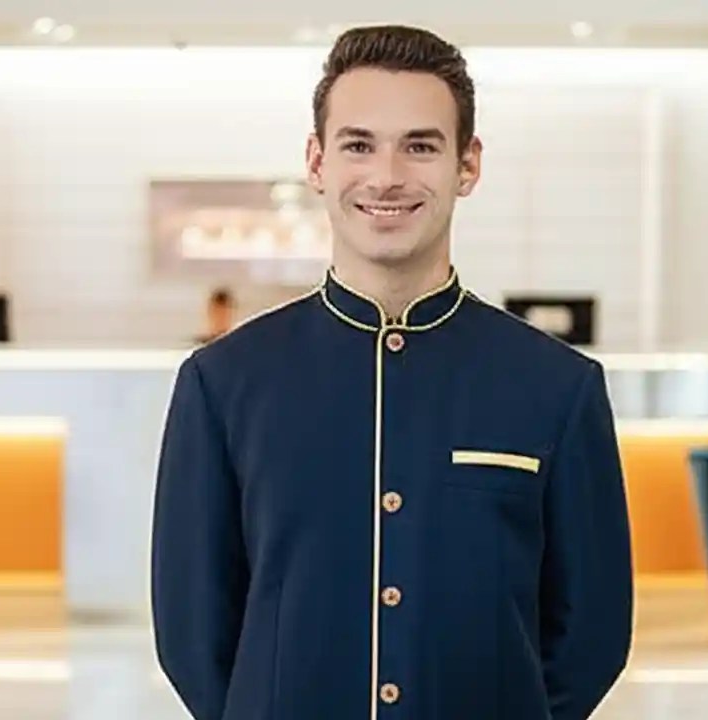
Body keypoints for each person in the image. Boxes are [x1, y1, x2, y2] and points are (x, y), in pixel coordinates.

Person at [151, 24, 633, 720]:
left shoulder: (558, 387)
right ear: (317, 162)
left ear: (467, 165)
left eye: (420, 146)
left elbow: (591, 633)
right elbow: (194, 633)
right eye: (358, 144)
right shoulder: (222, 384)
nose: (386, 176)